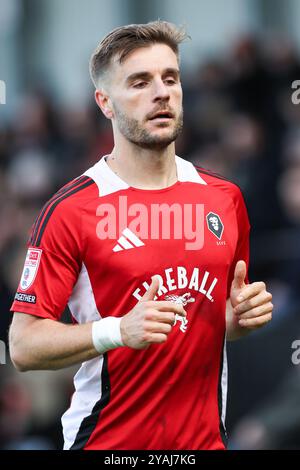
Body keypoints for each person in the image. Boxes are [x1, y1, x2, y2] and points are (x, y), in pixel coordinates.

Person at [9, 21, 273, 450]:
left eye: (171, 78)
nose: (161, 92)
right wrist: (117, 330)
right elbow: (22, 346)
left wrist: (241, 318)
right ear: (105, 102)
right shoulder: (72, 209)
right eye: (140, 82)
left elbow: (214, 322)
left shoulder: (225, 199)